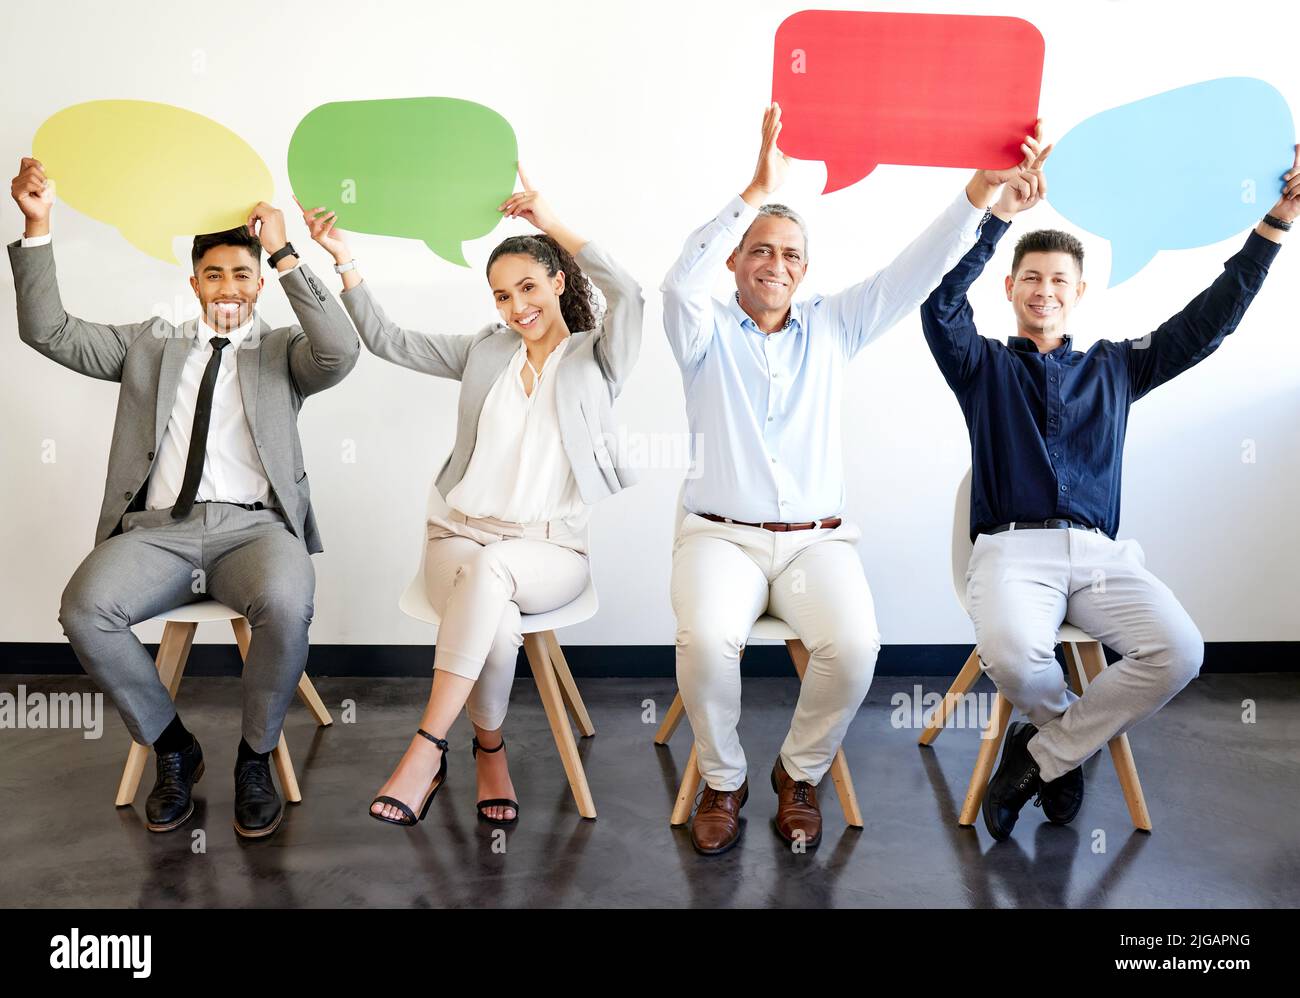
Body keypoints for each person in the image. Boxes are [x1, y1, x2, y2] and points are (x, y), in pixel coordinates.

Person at [661, 104, 1040, 855]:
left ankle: (797, 773)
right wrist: (754, 189)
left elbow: (915, 271)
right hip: (719, 540)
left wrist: (977, 193)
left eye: (792, 255)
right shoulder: (700, 333)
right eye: (759, 250)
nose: (776, 264)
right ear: (735, 261)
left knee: (859, 643)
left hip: (815, 545)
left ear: (805, 269)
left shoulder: (835, 325)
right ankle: (723, 778)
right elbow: (676, 284)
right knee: (706, 639)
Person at [919, 140, 1299, 841]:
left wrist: (1274, 224)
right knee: (1010, 654)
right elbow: (939, 307)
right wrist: (998, 220)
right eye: (1031, 278)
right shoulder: (982, 368)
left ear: (1078, 292)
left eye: (1060, 280)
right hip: (1010, 552)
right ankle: (1064, 751)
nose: (1045, 291)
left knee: (1181, 650)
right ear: (1010, 288)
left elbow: (1210, 321)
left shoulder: (1118, 368)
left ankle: (1043, 755)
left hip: (1101, 558)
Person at [7, 157, 360, 839]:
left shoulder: (284, 352)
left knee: (287, 601)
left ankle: (255, 758)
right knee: (85, 610)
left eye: (243, 273)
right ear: (193, 280)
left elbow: (342, 351)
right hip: (157, 533)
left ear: (261, 283)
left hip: (254, 534)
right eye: (215, 273)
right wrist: (38, 223)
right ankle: (174, 747)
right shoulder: (149, 344)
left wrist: (287, 252)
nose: (228, 286)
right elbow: (46, 331)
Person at [319, 171, 642, 826]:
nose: (516, 305)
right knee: (491, 613)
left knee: (494, 578)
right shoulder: (484, 352)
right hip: (456, 538)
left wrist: (550, 220)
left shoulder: (596, 358)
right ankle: (488, 749)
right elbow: (389, 341)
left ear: (557, 281)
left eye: (528, 286)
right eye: (502, 295)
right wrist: (344, 260)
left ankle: (426, 747)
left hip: (550, 552)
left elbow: (629, 292)